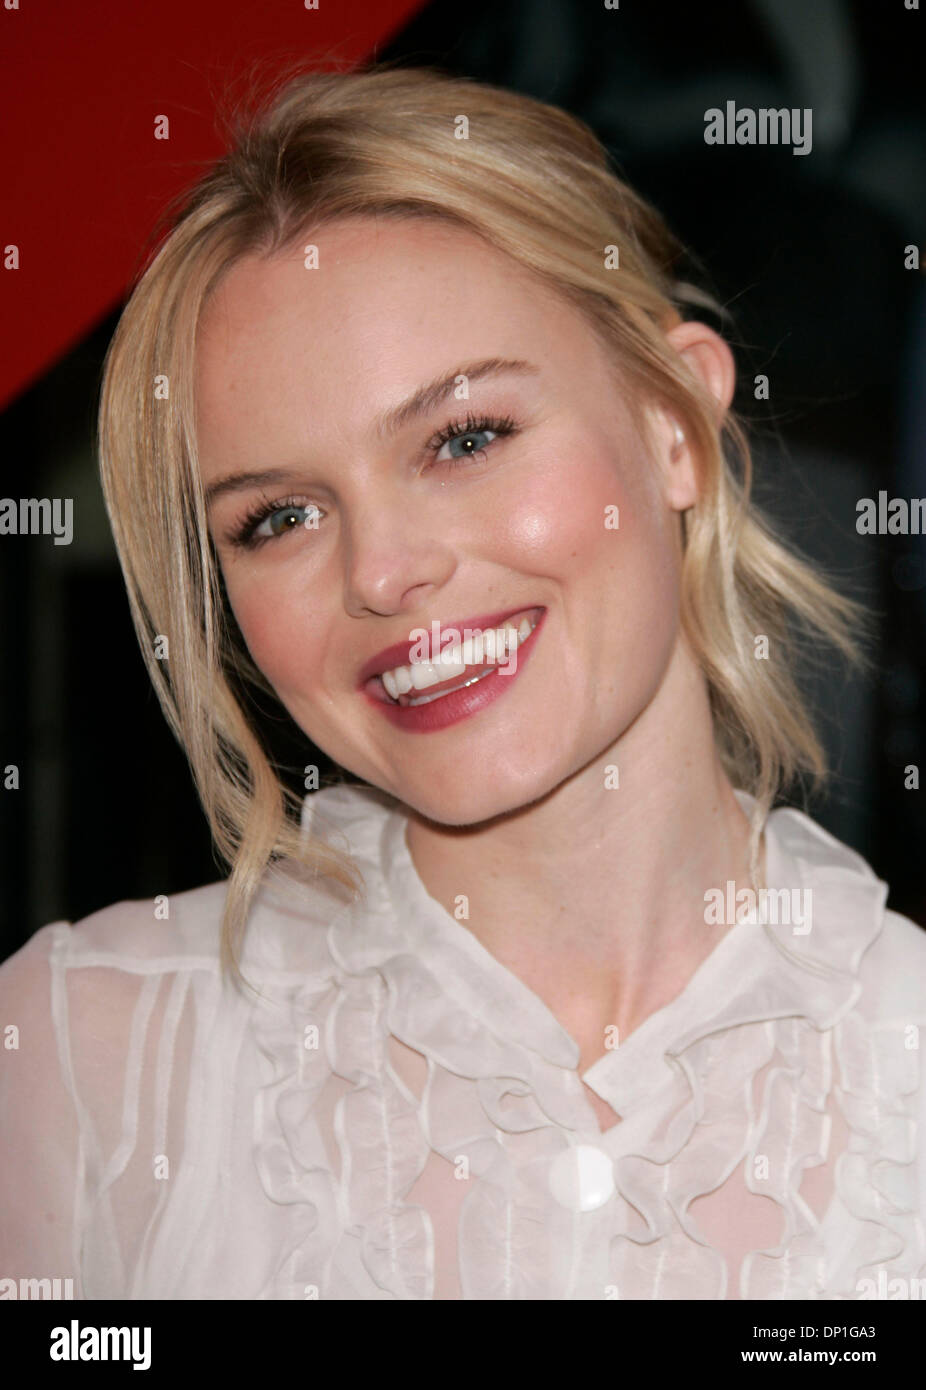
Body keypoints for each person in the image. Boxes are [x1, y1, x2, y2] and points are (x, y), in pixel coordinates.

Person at [1, 61, 924, 1302]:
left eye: (464, 438)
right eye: (278, 517)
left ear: (673, 427)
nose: (381, 572)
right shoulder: (78, 1055)